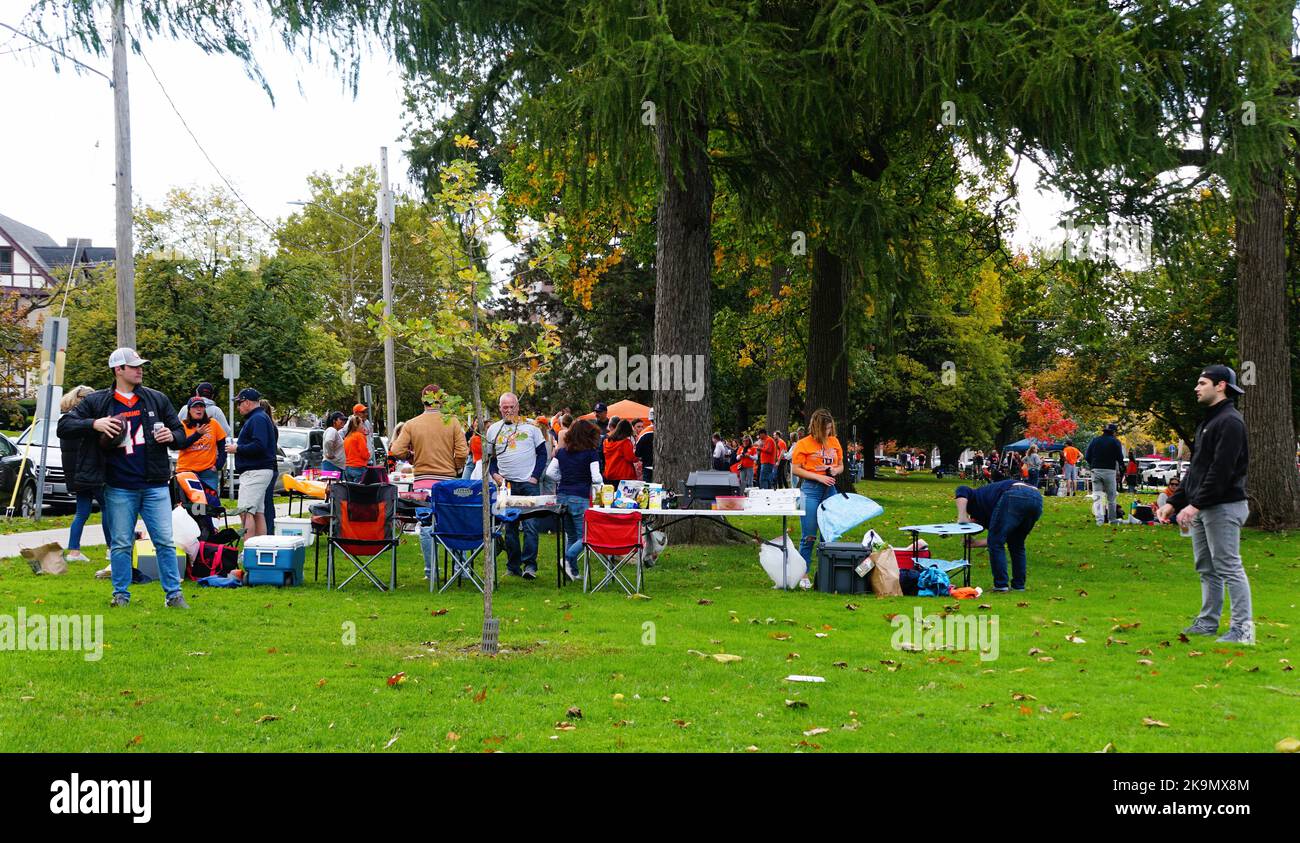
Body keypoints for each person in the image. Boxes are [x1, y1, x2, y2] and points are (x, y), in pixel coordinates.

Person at [57, 348, 188, 608]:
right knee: (120, 544)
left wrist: (173, 437)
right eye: (133, 366)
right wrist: (93, 424)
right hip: (118, 486)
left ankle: (174, 595)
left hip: (154, 484)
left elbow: (180, 431)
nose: (140, 369)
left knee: (163, 541)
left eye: (141, 365)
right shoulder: (98, 402)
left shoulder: (156, 399)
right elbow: (64, 426)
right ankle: (120, 595)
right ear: (118, 370)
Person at [1157, 365, 1253, 644]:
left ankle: (1242, 630)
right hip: (1205, 507)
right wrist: (1174, 503)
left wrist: (1195, 505)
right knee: (1206, 567)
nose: (1196, 388)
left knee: (1229, 566)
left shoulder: (1230, 422)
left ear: (1220, 385)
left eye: (1202, 383)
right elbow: (1198, 470)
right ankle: (1208, 622)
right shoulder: (1208, 422)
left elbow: (1221, 471)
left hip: (1223, 506)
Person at [484, 392, 547, 578]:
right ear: (500, 409)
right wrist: (495, 474)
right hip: (506, 485)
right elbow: (490, 458)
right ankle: (513, 566)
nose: (509, 410)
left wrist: (535, 476)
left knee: (530, 526)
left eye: (512, 407)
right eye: (505, 407)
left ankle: (530, 566)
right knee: (509, 527)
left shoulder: (531, 428)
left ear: (518, 407)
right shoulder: (493, 430)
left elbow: (543, 454)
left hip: (528, 484)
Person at [954, 477, 1043, 592]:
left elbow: (962, 489)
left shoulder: (975, 497)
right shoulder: (992, 511)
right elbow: (1000, 538)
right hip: (1036, 497)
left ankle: (1001, 585)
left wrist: (962, 517)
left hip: (1015, 494)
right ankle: (1018, 585)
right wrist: (975, 543)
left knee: (998, 543)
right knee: (1017, 544)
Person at [790, 408, 844, 590]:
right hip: (811, 490)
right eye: (825, 429)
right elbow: (795, 468)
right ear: (816, 427)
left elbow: (841, 464)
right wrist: (818, 477)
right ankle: (803, 573)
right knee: (809, 534)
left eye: (830, 428)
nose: (828, 432)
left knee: (829, 534)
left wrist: (836, 470)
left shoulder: (834, 442)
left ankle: (827, 572)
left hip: (830, 490)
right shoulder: (804, 444)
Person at [545, 419, 603, 581]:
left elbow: (550, 473)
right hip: (580, 497)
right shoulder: (591, 453)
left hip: (562, 496)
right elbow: (596, 478)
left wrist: (563, 478)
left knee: (571, 536)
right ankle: (568, 558)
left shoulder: (562, 452)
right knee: (585, 536)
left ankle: (573, 572)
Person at [58, 385, 106, 565]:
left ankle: (74, 550)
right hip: (92, 472)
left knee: (81, 512)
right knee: (107, 508)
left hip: (76, 476)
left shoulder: (67, 421)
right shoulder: (86, 422)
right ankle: (111, 548)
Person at [224, 388, 278, 539]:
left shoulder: (257, 419)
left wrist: (237, 448)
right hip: (260, 470)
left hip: (255, 471)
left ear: (247, 402)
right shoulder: (260, 417)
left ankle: (248, 550)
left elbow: (259, 445)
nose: (238, 407)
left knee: (245, 511)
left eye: (239, 403)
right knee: (258, 512)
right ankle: (260, 548)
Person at [387, 385, 468, 483]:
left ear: (422, 401)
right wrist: (456, 466)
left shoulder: (411, 424)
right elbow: (462, 453)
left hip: (421, 480)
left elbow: (396, 450)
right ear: (441, 400)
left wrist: (410, 456)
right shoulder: (453, 422)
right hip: (446, 479)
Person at [176, 396, 227, 493]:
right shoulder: (182, 425)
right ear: (189, 410)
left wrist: (218, 465)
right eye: (195, 407)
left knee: (210, 504)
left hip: (208, 472)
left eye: (201, 406)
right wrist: (197, 435)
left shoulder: (213, 424)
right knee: (188, 504)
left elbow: (222, 446)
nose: (199, 409)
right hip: (186, 471)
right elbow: (180, 445)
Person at [1085, 423, 1125, 525]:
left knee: (1097, 496)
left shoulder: (1095, 440)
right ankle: (1112, 519)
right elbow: (1120, 458)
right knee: (1111, 497)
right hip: (1109, 471)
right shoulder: (1115, 442)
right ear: (1114, 432)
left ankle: (1099, 521)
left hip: (1096, 470)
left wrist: (1093, 465)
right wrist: (1122, 468)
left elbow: (1087, 456)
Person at [603, 419, 639, 484]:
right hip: (623, 475)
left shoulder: (606, 441)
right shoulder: (625, 443)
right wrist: (638, 457)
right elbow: (630, 458)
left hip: (609, 473)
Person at [342, 414, 370, 483]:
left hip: (347, 468)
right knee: (359, 491)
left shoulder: (347, 437)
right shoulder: (360, 436)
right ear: (357, 425)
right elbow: (364, 454)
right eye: (361, 424)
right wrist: (368, 455)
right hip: (359, 467)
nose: (363, 426)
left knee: (351, 491)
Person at [634, 416, 654, 483]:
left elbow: (637, 453)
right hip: (663, 467)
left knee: (647, 489)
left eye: (641, 426)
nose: (640, 428)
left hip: (647, 465)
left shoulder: (644, 433)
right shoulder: (668, 430)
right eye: (638, 427)